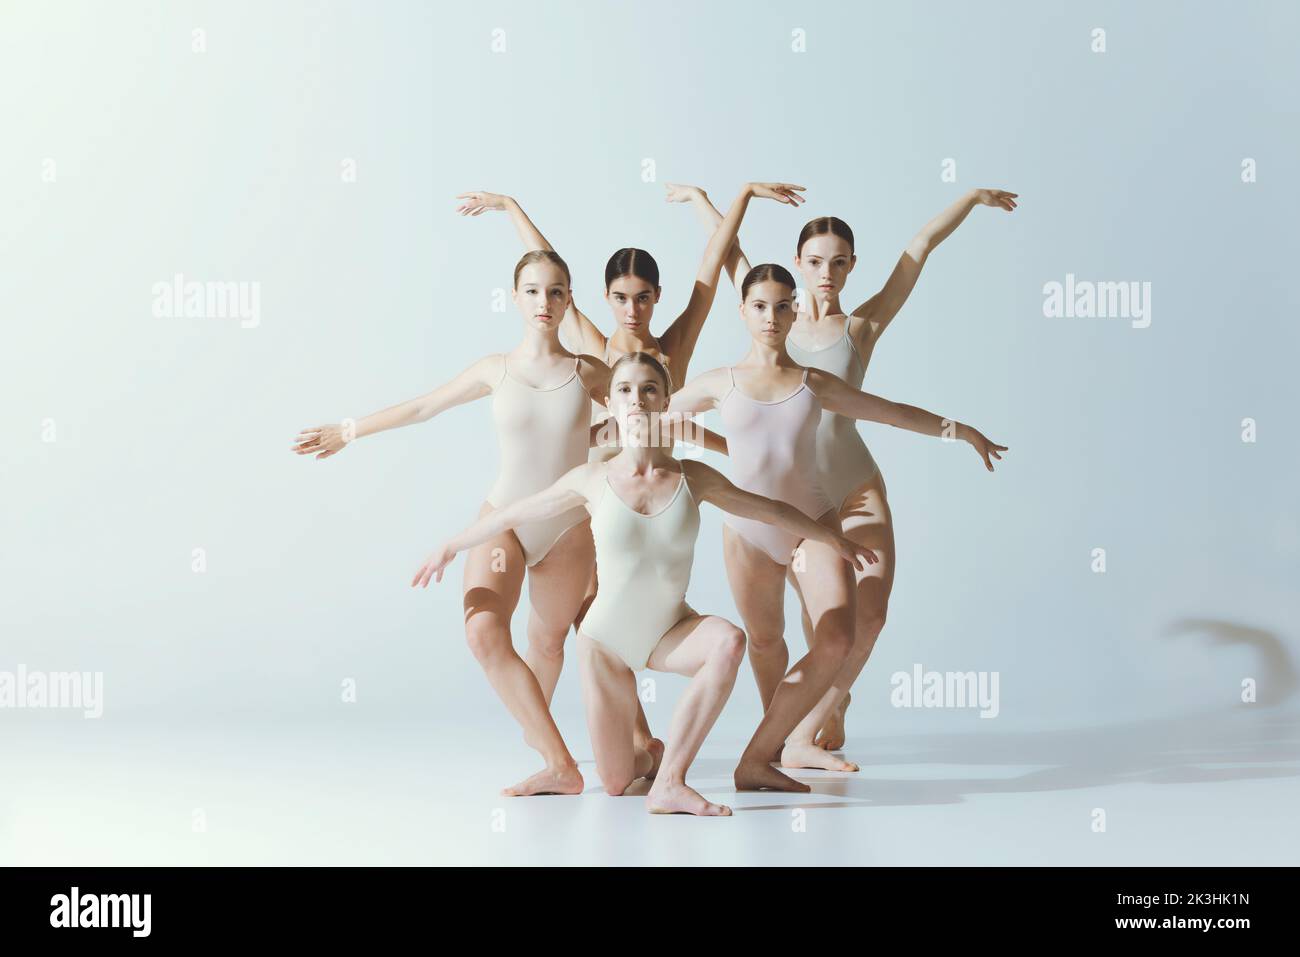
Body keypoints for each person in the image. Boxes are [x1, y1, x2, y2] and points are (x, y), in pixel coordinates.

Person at [413, 352, 877, 813]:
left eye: (649, 389)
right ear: (611, 405)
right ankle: (649, 756)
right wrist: (450, 547)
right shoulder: (590, 479)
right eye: (625, 390)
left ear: (666, 402)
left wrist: (833, 539)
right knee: (615, 782)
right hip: (605, 647)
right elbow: (514, 512)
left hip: (670, 631)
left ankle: (671, 780)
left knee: (729, 642)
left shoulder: (693, 478)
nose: (637, 399)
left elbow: (769, 509)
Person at [666, 263, 1008, 784]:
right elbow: (648, 416)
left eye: (783, 305)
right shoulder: (719, 383)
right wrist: (598, 435)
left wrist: (960, 431)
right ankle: (775, 750)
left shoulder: (813, 383)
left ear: (794, 310)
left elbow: (890, 412)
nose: (772, 316)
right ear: (743, 312)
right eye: (760, 306)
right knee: (765, 640)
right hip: (748, 530)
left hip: (813, 524)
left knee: (836, 638)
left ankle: (763, 753)